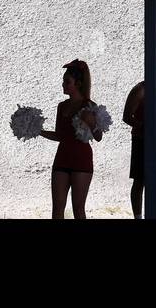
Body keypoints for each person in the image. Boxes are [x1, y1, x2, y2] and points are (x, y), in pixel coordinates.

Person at [40, 59, 102, 219]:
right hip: (62, 158)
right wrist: (38, 131)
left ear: (79, 84)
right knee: (57, 208)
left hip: (81, 160)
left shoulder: (90, 106)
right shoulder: (62, 106)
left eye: (67, 82)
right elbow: (60, 135)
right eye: (63, 81)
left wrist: (92, 123)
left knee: (78, 209)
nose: (63, 85)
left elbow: (99, 136)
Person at [123, 57, 156, 218]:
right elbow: (127, 116)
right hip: (141, 139)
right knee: (139, 180)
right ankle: (138, 216)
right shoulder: (140, 90)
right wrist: (144, 127)